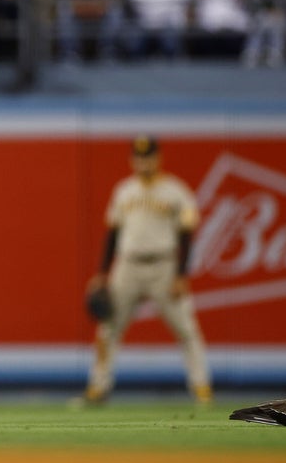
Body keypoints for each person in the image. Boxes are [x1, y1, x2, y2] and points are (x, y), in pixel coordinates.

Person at [79, 136, 212, 406]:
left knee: (186, 329)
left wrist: (181, 275)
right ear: (132, 160)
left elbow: (187, 235)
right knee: (108, 329)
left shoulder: (176, 191)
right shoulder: (124, 191)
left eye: (148, 156)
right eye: (139, 157)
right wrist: (102, 273)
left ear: (158, 158)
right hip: (127, 265)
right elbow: (113, 234)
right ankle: (98, 387)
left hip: (164, 265)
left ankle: (202, 388)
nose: (143, 162)